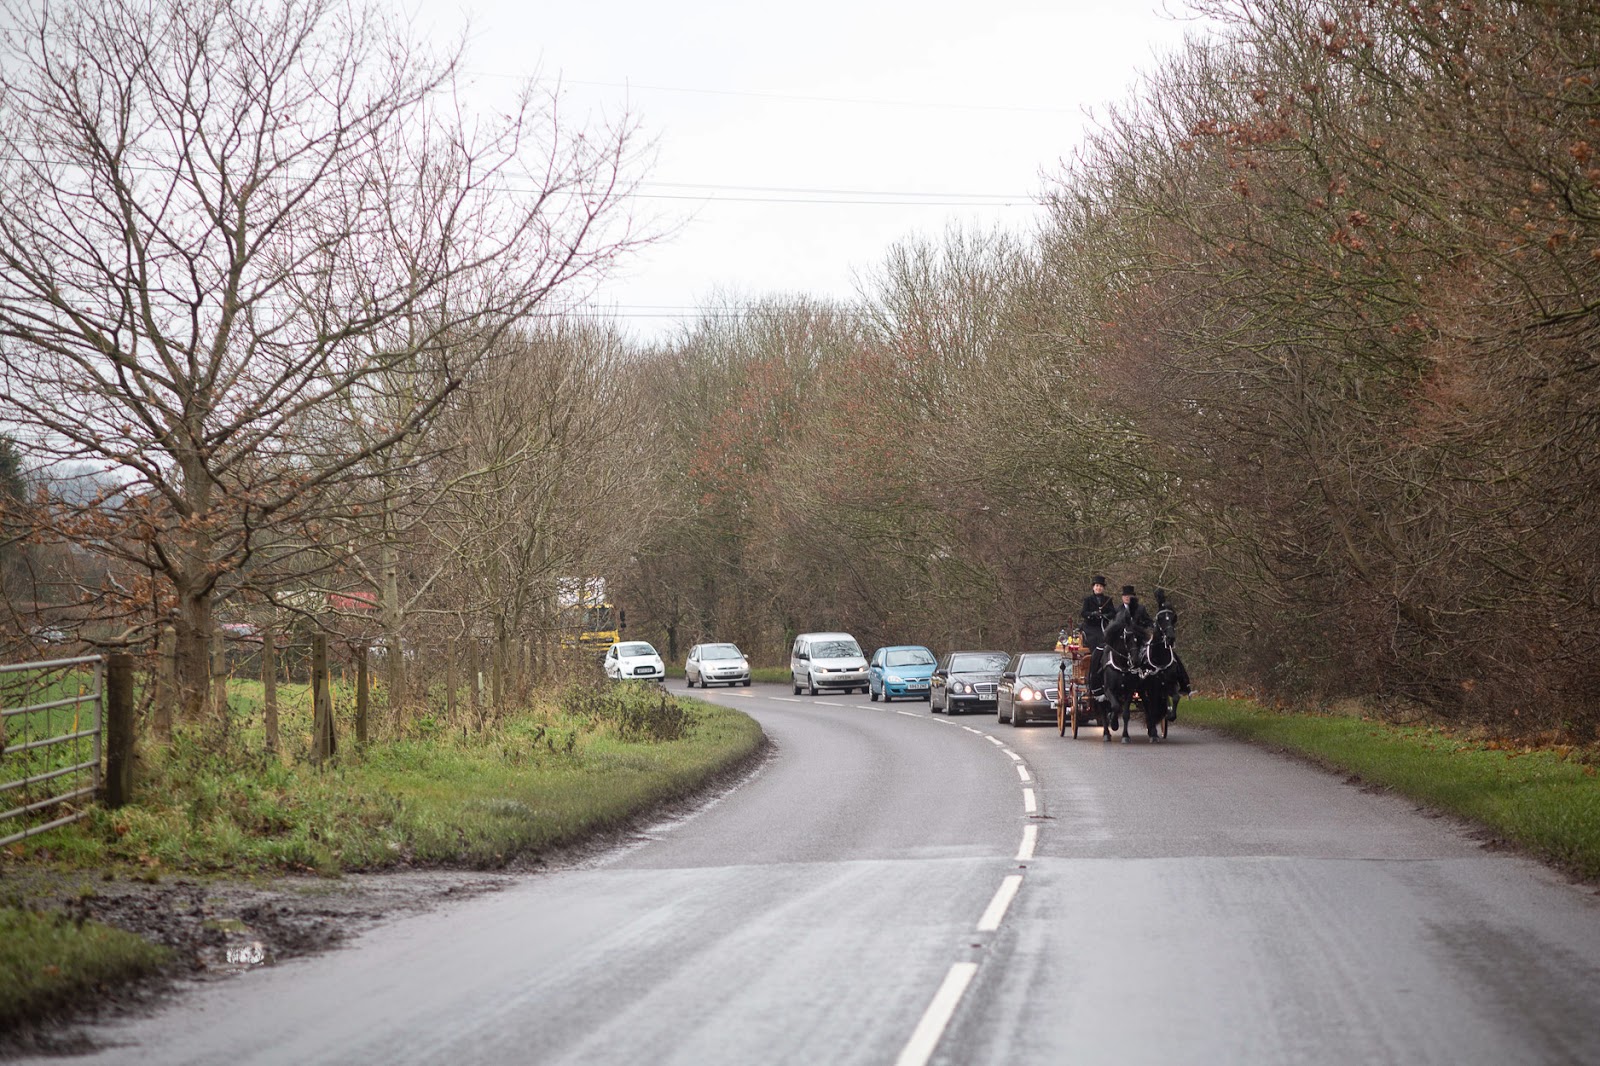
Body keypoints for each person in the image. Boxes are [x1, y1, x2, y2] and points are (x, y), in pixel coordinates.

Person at [1080, 575, 1115, 698]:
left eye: (1100, 586)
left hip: (1104, 626)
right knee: (1097, 639)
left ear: (1103, 588)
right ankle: (1097, 658)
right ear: (1093, 588)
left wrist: (1105, 615)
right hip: (1091, 628)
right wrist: (1092, 614)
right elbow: (1083, 613)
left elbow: (1113, 613)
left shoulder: (1108, 600)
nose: (1098, 588)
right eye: (1097, 586)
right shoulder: (1088, 600)